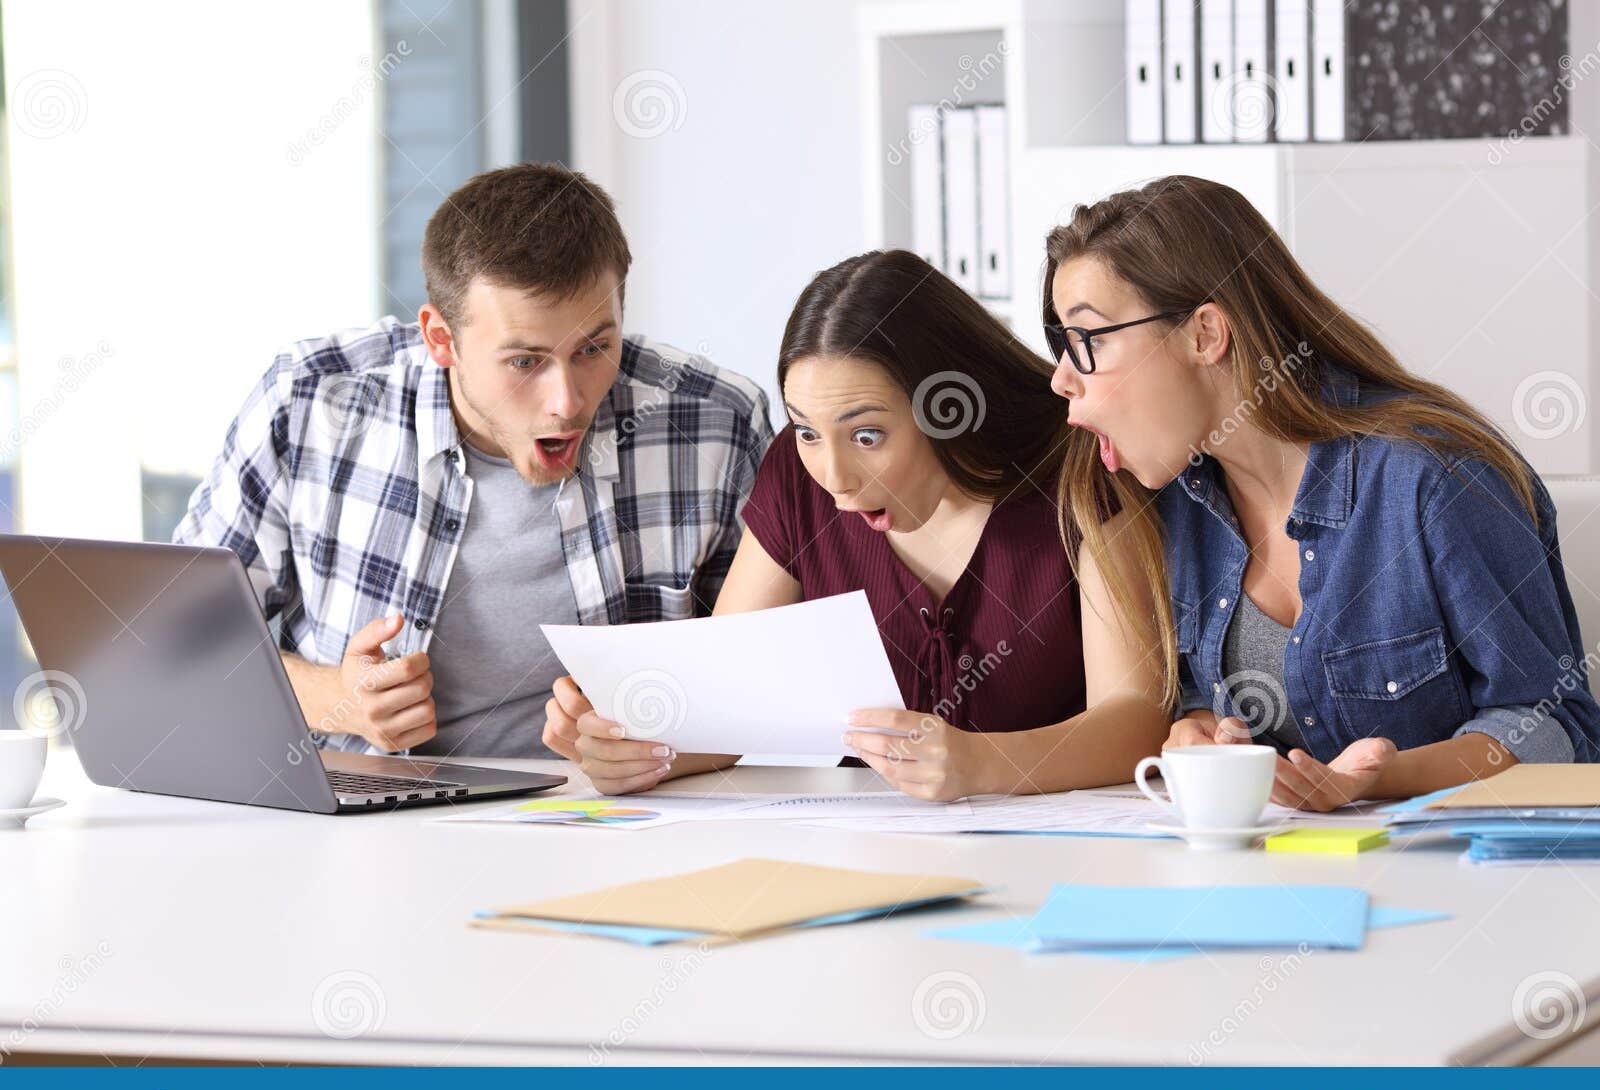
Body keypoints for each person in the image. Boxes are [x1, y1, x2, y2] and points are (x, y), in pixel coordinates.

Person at [176, 163, 772, 758]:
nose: (567, 401)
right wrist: (333, 695)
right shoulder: (309, 402)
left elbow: (765, 677)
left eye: (595, 348)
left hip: (625, 821)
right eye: (524, 362)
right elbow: (177, 639)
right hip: (369, 820)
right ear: (441, 339)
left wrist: (657, 745)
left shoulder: (716, 423)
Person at [1043, 174, 1600, 812]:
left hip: (1452, 875)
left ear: (1205, 334)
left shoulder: (1434, 478)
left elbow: (1556, 726)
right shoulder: (1182, 504)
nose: (1063, 378)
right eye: (1063, 344)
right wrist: (1197, 730)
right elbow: (1203, 696)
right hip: (1284, 874)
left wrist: (1380, 779)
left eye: (1090, 341)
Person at [544, 250, 1171, 800]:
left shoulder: (1076, 468)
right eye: (809, 431)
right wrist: (640, 752)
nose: (834, 474)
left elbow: (1135, 717)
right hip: (861, 863)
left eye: (867, 434)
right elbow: (725, 706)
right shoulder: (795, 474)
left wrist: (984, 763)